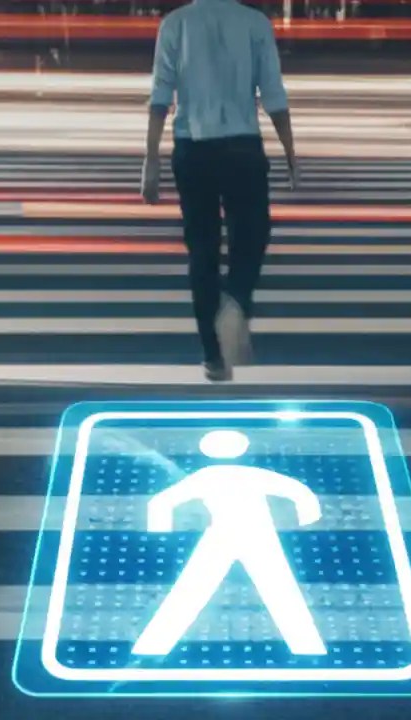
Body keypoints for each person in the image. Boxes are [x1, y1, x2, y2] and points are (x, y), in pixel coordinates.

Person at [140, 0, 300, 382]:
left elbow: (160, 97)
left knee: (202, 249)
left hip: (192, 148)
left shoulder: (174, 24)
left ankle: (213, 357)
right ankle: (236, 299)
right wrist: (290, 151)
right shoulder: (255, 23)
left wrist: (151, 158)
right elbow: (273, 94)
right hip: (242, 146)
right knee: (253, 235)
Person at [131, 430, 326, 657]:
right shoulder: (247, 475)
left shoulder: (208, 476)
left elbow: (162, 501)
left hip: (234, 535)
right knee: (279, 589)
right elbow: (297, 490)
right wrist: (307, 517)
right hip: (248, 534)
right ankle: (308, 647)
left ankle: (152, 647)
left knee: (192, 590)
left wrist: (160, 530)